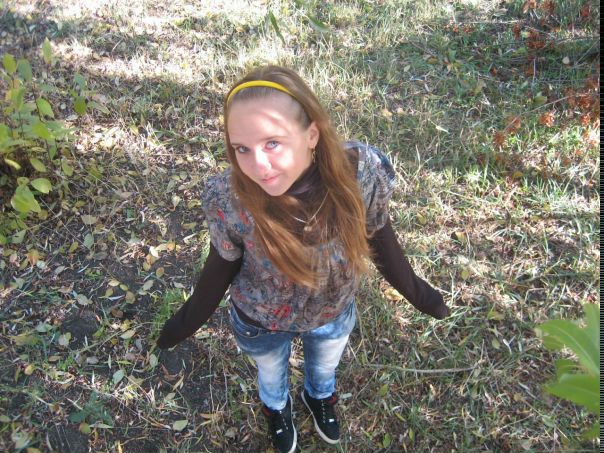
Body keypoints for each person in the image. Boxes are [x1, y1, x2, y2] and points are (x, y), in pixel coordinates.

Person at [156, 65, 450, 453]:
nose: (258, 166)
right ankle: (276, 408)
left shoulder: (361, 174)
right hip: (260, 320)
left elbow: (378, 232)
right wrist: (185, 322)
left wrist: (419, 294)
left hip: (332, 312)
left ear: (311, 134)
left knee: (324, 368)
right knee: (271, 374)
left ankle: (319, 397)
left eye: (272, 143)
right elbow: (222, 263)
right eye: (242, 149)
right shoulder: (229, 198)